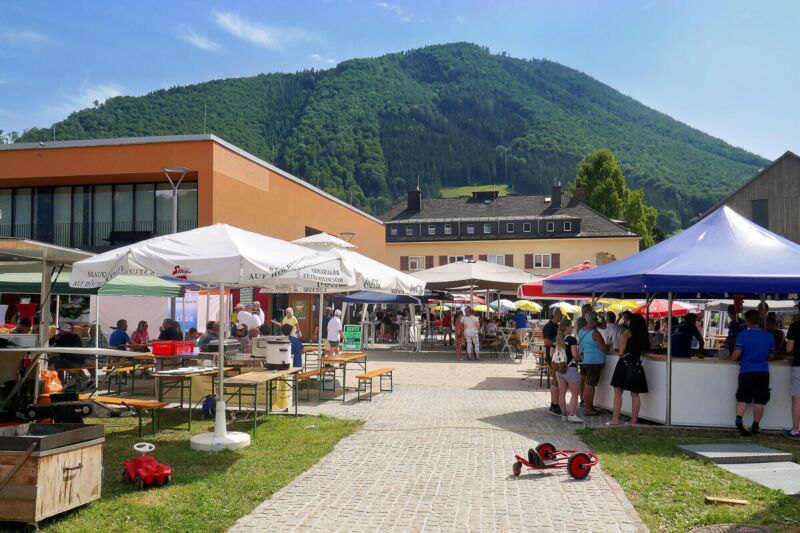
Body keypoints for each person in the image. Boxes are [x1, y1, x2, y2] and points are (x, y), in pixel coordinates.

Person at [729, 309, 775, 436]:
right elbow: (771, 356)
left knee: (742, 398)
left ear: (748, 321)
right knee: (760, 400)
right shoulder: (769, 336)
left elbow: (736, 354)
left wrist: (731, 358)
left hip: (746, 371)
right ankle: (755, 425)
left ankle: (739, 418)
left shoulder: (743, 335)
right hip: (762, 371)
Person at [608, 314, 649, 426]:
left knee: (618, 391)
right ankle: (634, 421)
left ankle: (615, 419)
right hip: (636, 363)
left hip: (625, 361)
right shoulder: (643, 334)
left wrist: (621, 353)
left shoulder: (628, 331)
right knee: (635, 393)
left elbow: (623, 342)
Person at [578, 311, 608, 417]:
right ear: (594, 320)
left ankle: (588, 405)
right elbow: (603, 348)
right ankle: (588, 408)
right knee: (589, 386)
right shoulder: (595, 333)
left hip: (584, 361)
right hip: (594, 362)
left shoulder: (581, 331)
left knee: (588, 385)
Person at [554, 318, 582, 423]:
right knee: (575, 393)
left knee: (562, 393)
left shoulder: (556, 339)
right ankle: (572, 414)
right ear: (567, 326)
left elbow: (552, 355)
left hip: (559, 369)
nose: (572, 327)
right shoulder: (571, 339)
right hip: (570, 369)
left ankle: (564, 415)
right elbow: (575, 356)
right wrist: (580, 357)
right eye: (571, 326)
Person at [542, 309, 564, 416]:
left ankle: (555, 404)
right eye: (560, 314)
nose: (562, 316)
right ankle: (554, 405)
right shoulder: (548, 326)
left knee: (557, 382)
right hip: (552, 358)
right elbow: (546, 342)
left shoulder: (557, 326)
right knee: (556, 382)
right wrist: (559, 340)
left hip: (558, 358)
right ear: (555, 314)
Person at [783, 308, 800, 440]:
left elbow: (789, 348)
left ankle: (795, 430)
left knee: (797, 399)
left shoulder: (795, 326)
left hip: (798, 365)